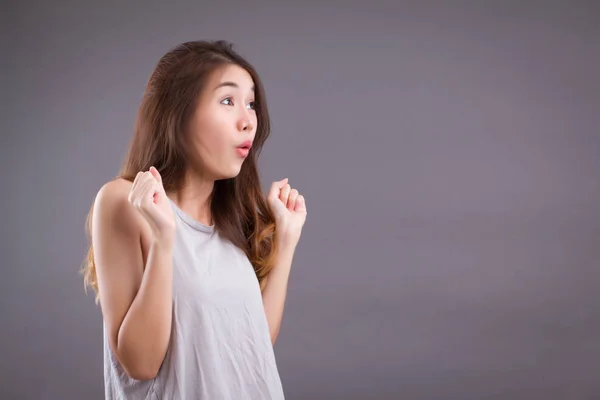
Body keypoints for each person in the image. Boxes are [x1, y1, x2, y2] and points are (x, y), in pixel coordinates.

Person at [81, 40, 307, 399]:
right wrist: (163, 240)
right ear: (178, 112)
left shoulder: (233, 217)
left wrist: (287, 242)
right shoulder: (125, 201)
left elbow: (253, 346)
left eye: (251, 104)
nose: (248, 120)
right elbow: (140, 363)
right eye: (228, 101)